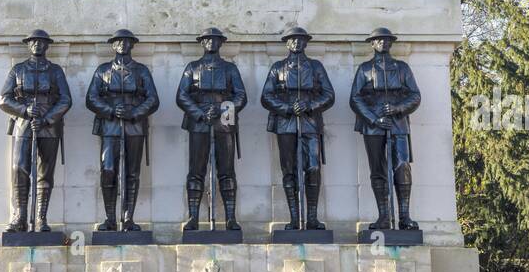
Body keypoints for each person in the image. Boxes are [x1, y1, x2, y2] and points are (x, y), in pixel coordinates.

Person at [260, 27, 334, 230]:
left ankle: (311, 217)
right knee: (289, 171)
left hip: (309, 123)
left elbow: (329, 95)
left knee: (313, 168)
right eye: (293, 40)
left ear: (306, 43)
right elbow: (266, 96)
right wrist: (286, 108)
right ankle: (294, 217)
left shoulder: (316, 66)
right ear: (287, 43)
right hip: (286, 124)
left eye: (301, 40)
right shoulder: (278, 67)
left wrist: (309, 105)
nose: (297, 43)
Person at [0, 29, 72, 233]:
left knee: (45, 173)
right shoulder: (18, 70)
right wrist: (24, 110)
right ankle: (20, 216)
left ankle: (41, 218)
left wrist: (48, 118)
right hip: (24, 124)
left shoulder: (55, 70)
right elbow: (4, 99)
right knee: (19, 167)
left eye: (41, 42)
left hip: (49, 126)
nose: (37, 45)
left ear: (47, 45)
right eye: (34, 42)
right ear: (29, 45)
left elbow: (66, 99)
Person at [85, 29, 159, 232]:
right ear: (113, 45)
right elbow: (91, 98)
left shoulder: (141, 70)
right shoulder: (103, 70)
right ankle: (110, 218)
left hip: (134, 126)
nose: (122, 45)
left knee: (132, 173)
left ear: (132, 45)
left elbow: (153, 99)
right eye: (118, 42)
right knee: (108, 170)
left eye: (126, 42)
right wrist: (110, 110)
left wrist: (135, 112)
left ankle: (128, 218)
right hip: (110, 126)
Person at [349, 27, 421, 231]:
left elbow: (415, 95)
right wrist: (374, 119)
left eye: (386, 40)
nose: (382, 43)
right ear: (372, 44)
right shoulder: (364, 69)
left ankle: (404, 216)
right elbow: (355, 98)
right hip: (373, 126)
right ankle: (384, 216)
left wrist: (398, 108)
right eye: (378, 40)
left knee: (402, 166)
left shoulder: (402, 68)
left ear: (391, 43)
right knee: (378, 170)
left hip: (398, 124)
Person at [176, 27, 247, 231]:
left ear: (220, 43)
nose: (211, 43)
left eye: (215, 40)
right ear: (202, 42)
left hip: (224, 121)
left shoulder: (230, 68)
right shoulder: (193, 67)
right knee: (196, 171)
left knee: (226, 171)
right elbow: (182, 95)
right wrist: (199, 113)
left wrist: (222, 109)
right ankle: (194, 217)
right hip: (199, 123)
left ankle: (231, 218)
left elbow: (240, 95)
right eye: (207, 40)